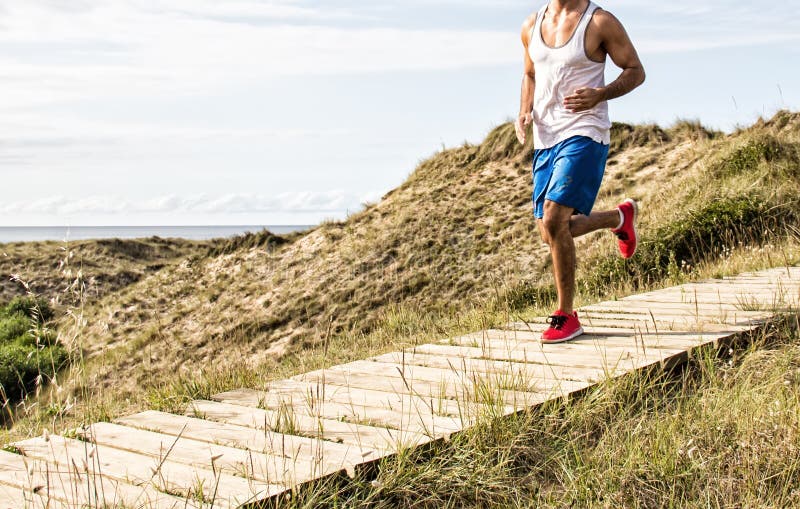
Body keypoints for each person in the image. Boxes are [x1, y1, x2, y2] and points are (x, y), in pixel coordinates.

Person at [515, 0, 645, 343]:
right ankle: (618, 218)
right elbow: (530, 73)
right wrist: (524, 112)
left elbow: (635, 70)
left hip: (585, 131)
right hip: (546, 138)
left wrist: (600, 94)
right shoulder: (532, 24)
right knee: (550, 231)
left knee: (556, 219)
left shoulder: (599, 22)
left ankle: (566, 315)